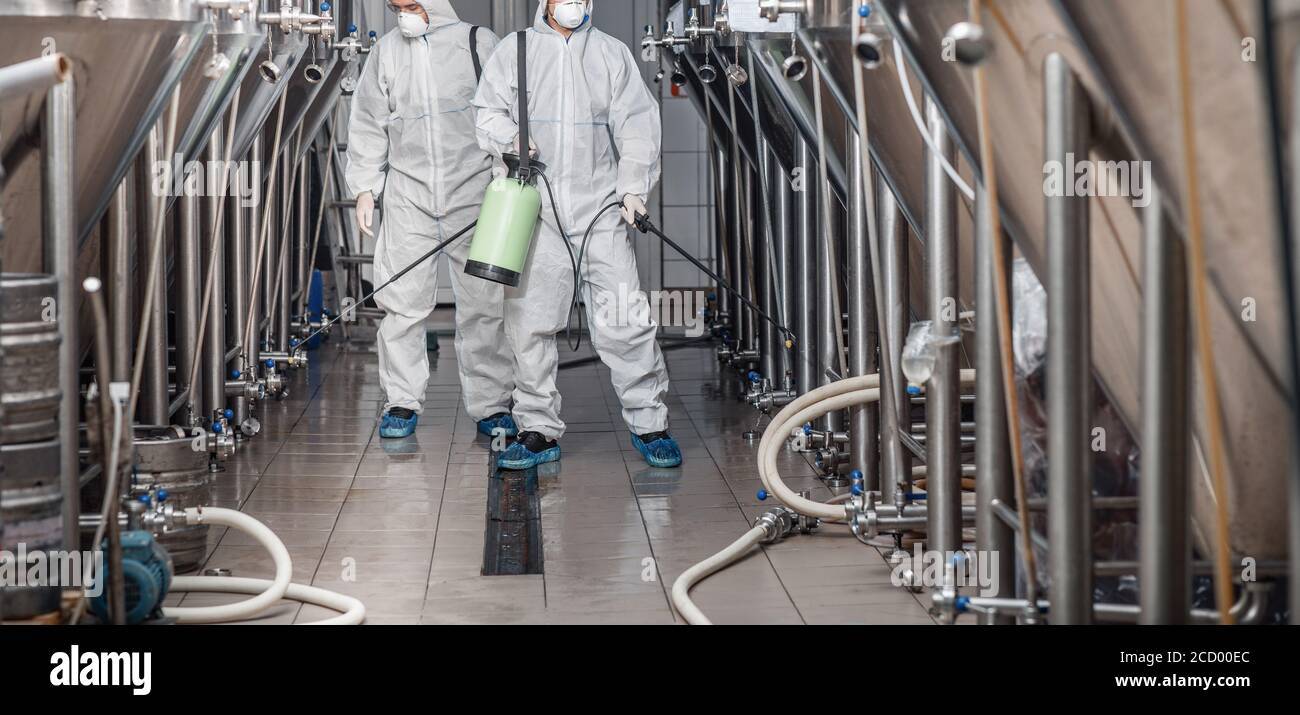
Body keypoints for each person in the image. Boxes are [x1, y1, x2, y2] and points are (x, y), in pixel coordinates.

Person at [472, 0, 682, 469]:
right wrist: (511, 138)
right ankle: (538, 430)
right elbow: (486, 113)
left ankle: (650, 422)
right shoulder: (516, 50)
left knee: (626, 319)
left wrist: (632, 189)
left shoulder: (610, 54)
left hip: (601, 208)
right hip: (536, 211)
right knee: (529, 325)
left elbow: (637, 127)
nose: (576, 4)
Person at [347, 0, 518, 440]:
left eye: (411, 4)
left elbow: (506, 113)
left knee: (484, 306)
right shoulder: (387, 51)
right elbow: (368, 119)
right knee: (401, 304)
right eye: (397, 6)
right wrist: (366, 186)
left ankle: (492, 405)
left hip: (473, 193)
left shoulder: (478, 43)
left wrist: (505, 171)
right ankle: (402, 401)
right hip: (409, 193)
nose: (404, 13)